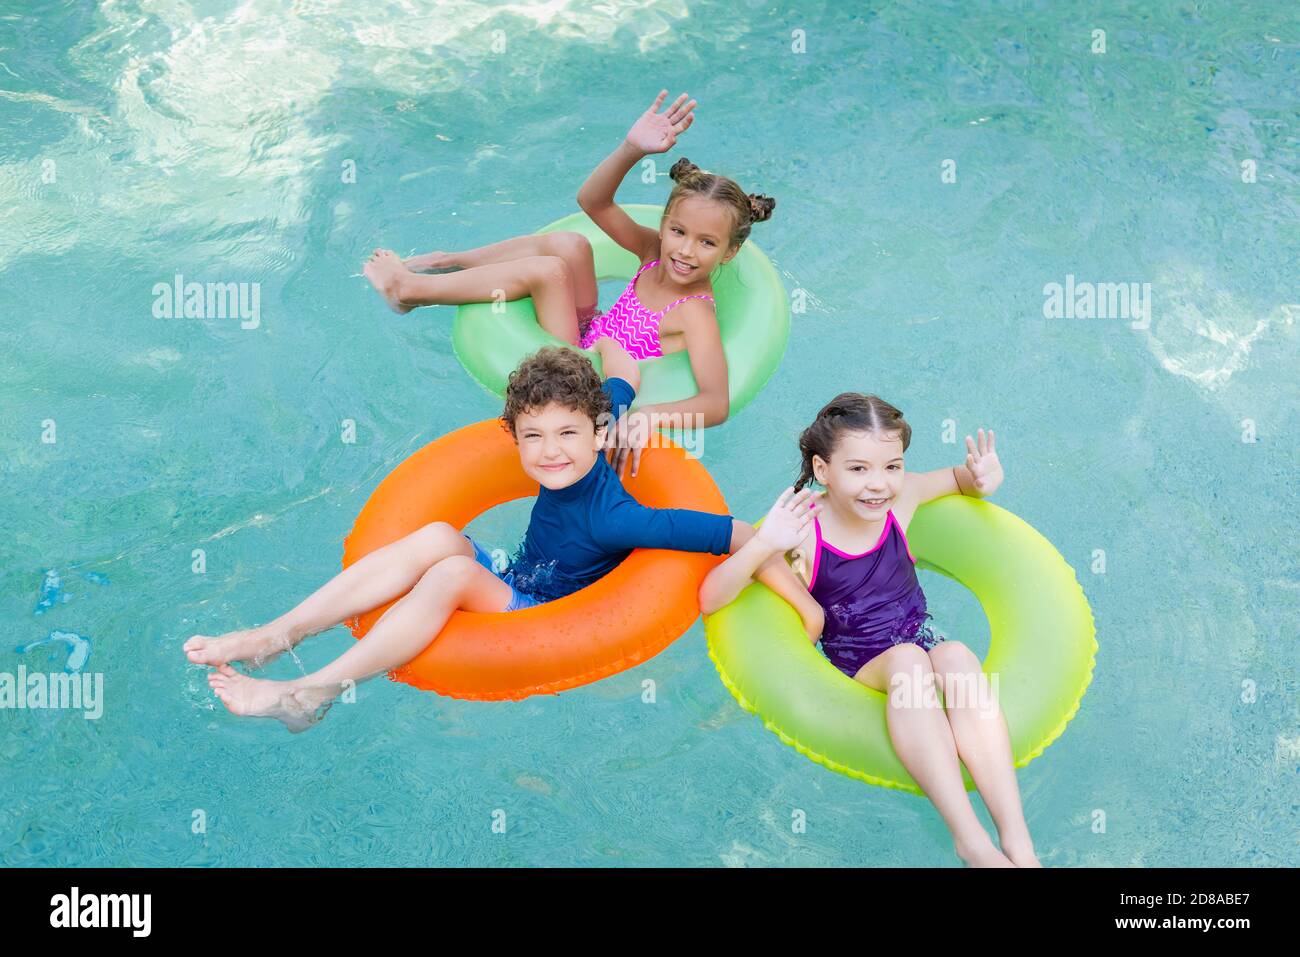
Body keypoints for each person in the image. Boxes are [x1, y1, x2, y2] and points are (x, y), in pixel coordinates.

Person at [184, 338, 768, 733]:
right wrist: (604, 335)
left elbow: (722, 532)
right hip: (516, 571)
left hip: (546, 608)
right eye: (533, 436)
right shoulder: (603, 414)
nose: (550, 451)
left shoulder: (616, 516)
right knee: (439, 534)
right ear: (513, 436)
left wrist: (784, 541)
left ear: (597, 432)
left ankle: (312, 690)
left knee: (455, 572)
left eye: (567, 433)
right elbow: (623, 373)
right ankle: (273, 636)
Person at [698, 393, 1042, 867]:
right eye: (858, 469)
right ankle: (971, 842)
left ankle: (1016, 837)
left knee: (957, 655)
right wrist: (764, 547)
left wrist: (982, 479)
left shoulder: (904, 499)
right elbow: (712, 597)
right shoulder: (804, 533)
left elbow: (960, 480)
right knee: (909, 661)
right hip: (860, 663)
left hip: (921, 637)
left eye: (892, 467)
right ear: (822, 470)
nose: (878, 485)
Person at [362, 89, 775, 470]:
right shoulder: (653, 253)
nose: (685, 251)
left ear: (730, 252)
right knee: (572, 244)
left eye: (706, 243)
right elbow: (592, 202)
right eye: (679, 232)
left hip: (585, 374)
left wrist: (649, 415)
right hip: (586, 335)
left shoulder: (694, 313)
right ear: (664, 225)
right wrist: (632, 149)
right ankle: (455, 262)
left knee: (551, 271)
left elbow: (715, 403)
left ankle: (410, 292)